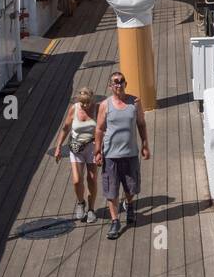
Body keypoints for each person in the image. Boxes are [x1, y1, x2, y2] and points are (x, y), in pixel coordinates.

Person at [94, 70, 149, 240]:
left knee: (131, 187)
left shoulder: (135, 102)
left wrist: (145, 145)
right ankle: (115, 221)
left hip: (130, 152)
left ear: (126, 83)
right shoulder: (105, 105)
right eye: (115, 82)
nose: (118, 84)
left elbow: (141, 124)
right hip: (111, 154)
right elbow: (100, 129)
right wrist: (97, 151)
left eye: (121, 81)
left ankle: (129, 204)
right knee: (111, 189)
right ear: (110, 86)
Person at [53, 87, 99, 222]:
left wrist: (101, 147)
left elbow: (102, 128)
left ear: (92, 100)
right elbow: (66, 128)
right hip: (76, 148)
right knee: (77, 180)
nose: (85, 105)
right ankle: (80, 203)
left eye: (87, 103)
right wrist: (58, 147)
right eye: (82, 103)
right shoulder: (74, 109)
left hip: (91, 146)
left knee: (92, 179)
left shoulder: (97, 108)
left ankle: (91, 209)